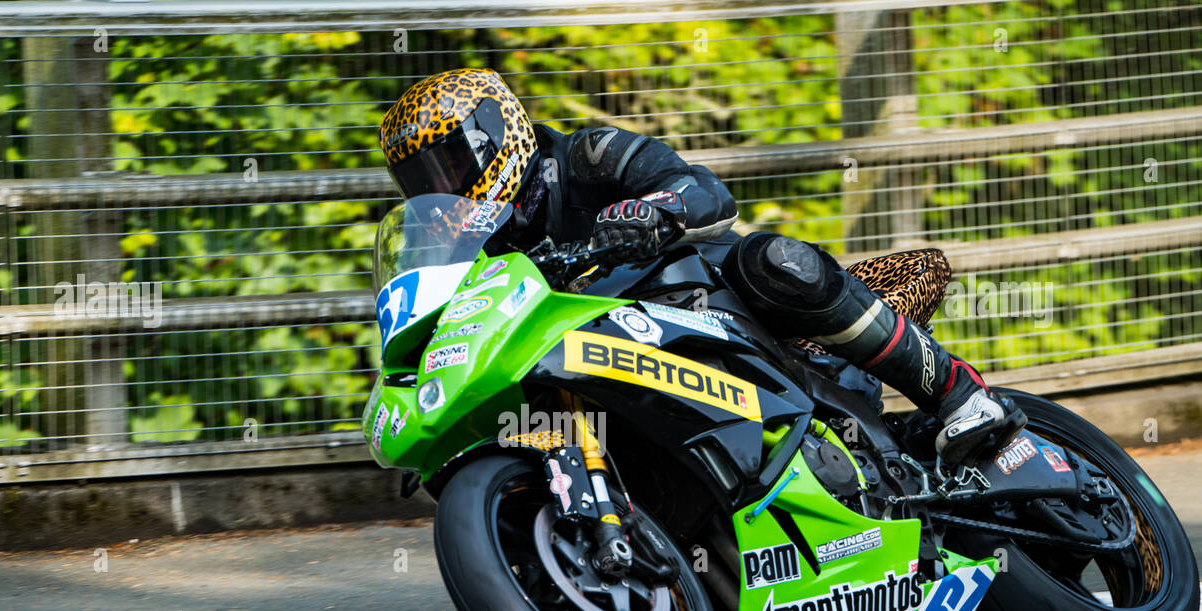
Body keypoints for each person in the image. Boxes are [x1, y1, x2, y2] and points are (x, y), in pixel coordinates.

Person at [378, 68, 1025, 465]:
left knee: (774, 259)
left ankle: (958, 394)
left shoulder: (588, 157)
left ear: (500, 133)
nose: (444, 187)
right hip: (601, 358)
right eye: (423, 179)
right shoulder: (471, 251)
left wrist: (650, 212)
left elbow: (704, 192)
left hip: (697, 300)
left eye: (452, 164)